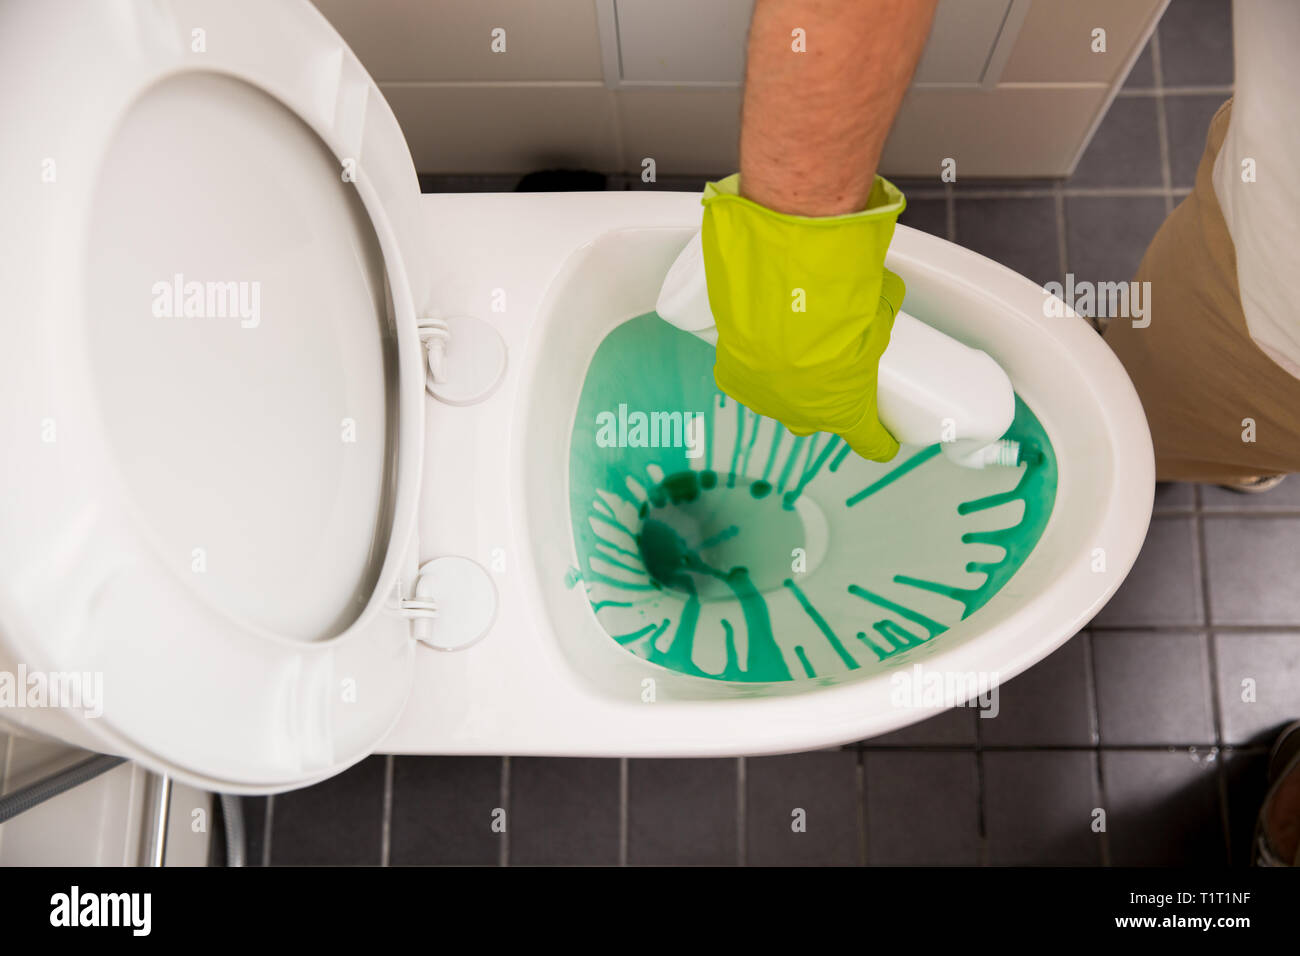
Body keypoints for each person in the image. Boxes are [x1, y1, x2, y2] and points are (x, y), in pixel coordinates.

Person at [705, 0, 1299, 864]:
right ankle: (1234, 447)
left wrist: (797, 275)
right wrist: (796, 269)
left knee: (1171, 405)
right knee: (1164, 407)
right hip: (1274, 322)